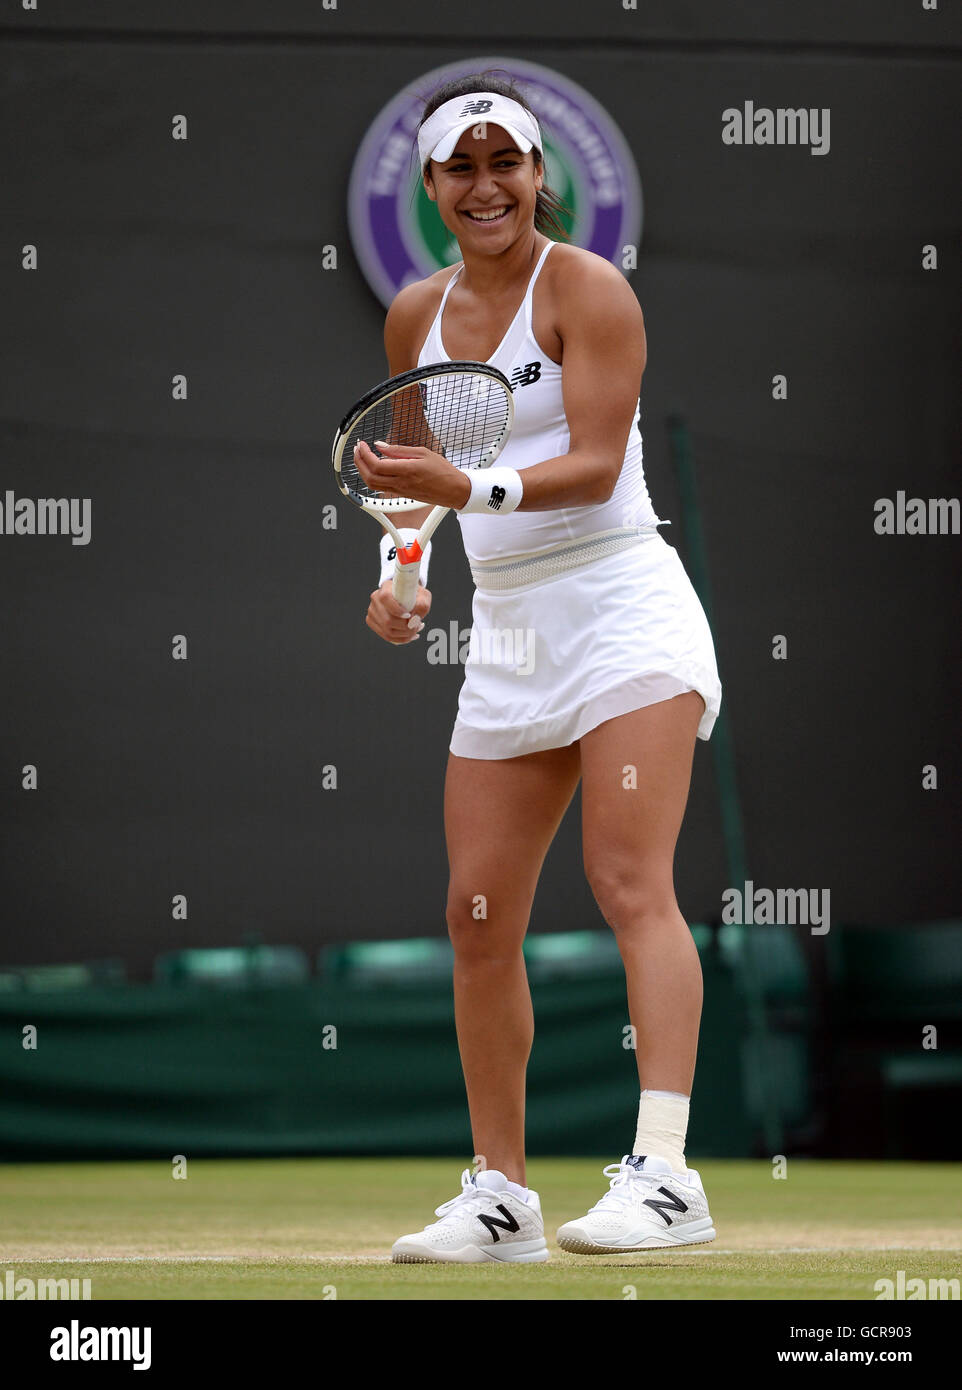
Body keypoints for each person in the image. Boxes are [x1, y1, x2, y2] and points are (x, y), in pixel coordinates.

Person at [354, 70, 721, 1263]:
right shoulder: (414, 312)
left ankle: (665, 1177)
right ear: (430, 186)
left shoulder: (586, 288)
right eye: (459, 168)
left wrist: (469, 490)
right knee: (474, 916)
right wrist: (407, 570)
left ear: (536, 174)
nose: (484, 186)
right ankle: (500, 1195)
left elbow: (599, 460)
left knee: (628, 882)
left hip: (621, 604)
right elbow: (415, 483)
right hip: (508, 630)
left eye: (502, 162)